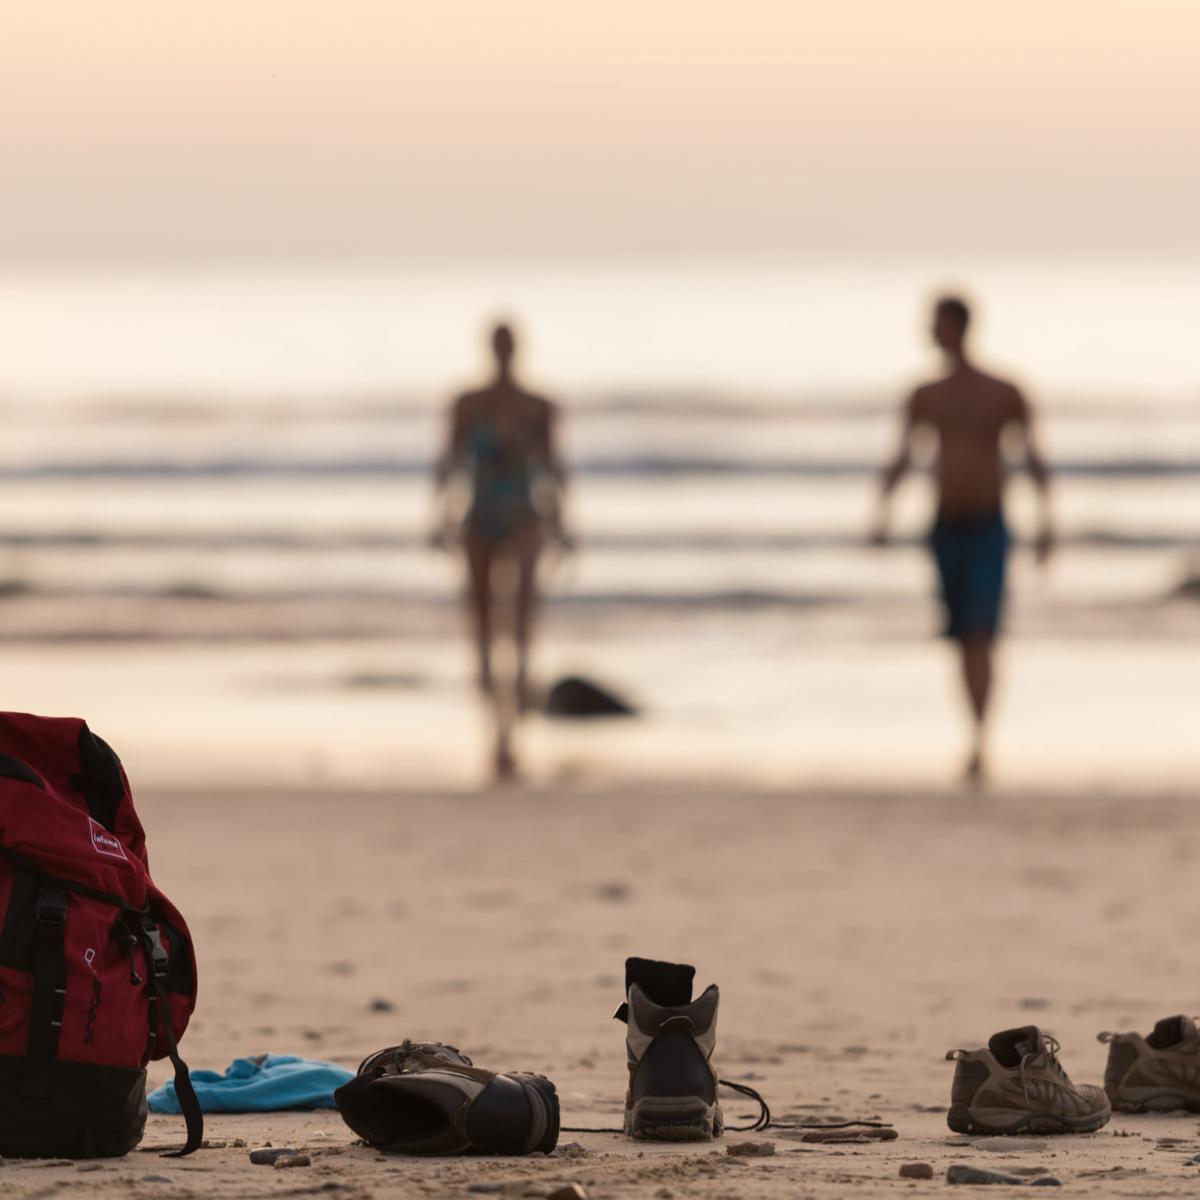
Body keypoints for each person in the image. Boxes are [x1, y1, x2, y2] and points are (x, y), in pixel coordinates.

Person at [871, 296, 1054, 783]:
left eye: (936, 323)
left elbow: (1034, 457)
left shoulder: (1003, 391)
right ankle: (973, 734)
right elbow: (904, 455)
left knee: (982, 633)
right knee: (959, 637)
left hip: (989, 523)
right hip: (946, 524)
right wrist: (882, 511)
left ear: (957, 327)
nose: (930, 331)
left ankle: (979, 740)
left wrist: (1047, 525)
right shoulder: (925, 394)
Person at [432, 322, 569, 781]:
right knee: (482, 623)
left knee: (524, 621)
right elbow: (448, 463)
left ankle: (515, 721)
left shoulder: (538, 406)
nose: (504, 353)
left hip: (525, 516)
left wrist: (563, 524)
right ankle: (493, 724)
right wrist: (439, 519)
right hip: (480, 516)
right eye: (499, 345)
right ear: (491, 349)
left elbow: (554, 468)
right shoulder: (468, 405)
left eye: (509, 346)